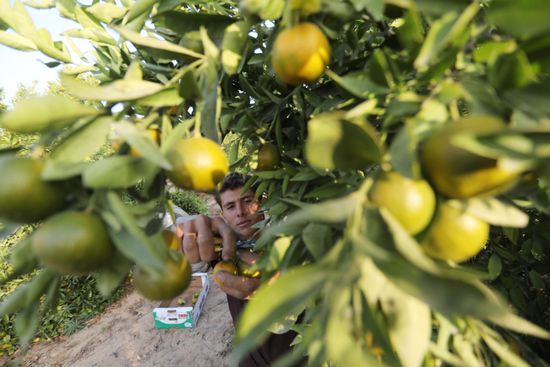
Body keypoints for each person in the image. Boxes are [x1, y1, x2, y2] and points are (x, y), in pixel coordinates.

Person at [177, 172, 300, 367]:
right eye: (230, 206)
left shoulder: (289, 241)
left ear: (262, 202)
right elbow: (190, 237)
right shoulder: (223, 248)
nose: (240, 212)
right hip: (251, 359)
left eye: (247, 200)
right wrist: (187, 231)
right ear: (222, 215)